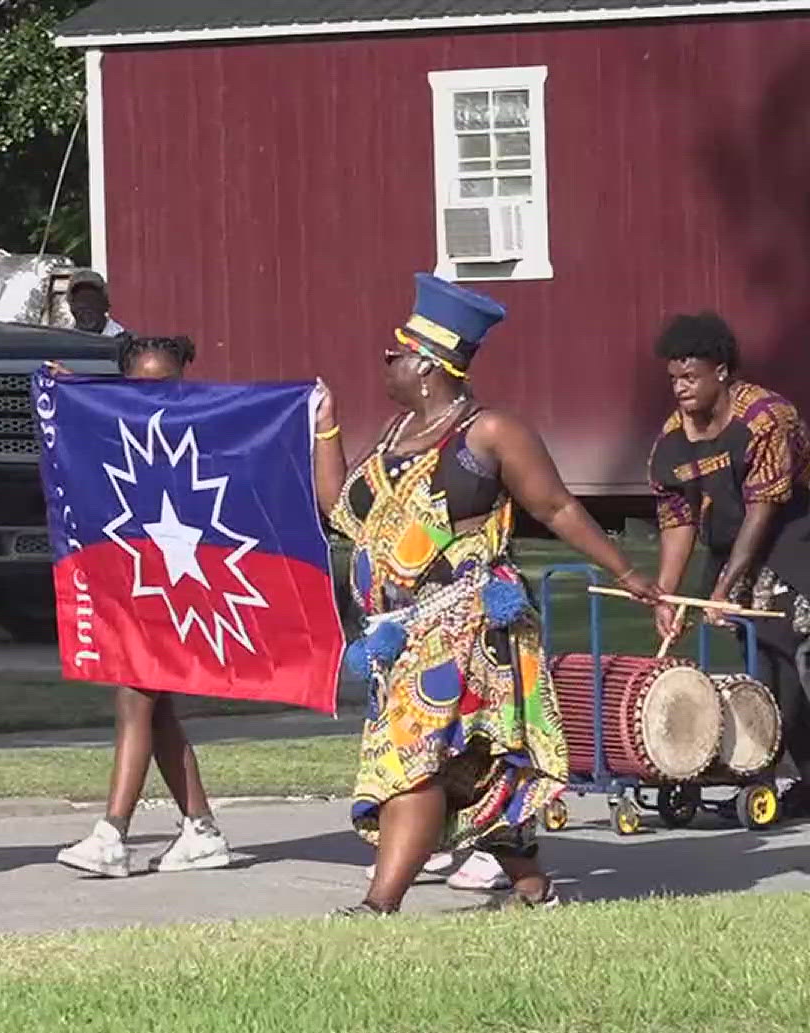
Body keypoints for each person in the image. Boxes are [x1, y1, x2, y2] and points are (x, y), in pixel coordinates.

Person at [313, 274, 662, 915]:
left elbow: (556, 507)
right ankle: (534, 892)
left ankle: (379, 904)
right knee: (475, 771)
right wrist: (326, 431)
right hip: (401, 634)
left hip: (467, 627)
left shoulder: (489, 432)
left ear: (427, 365)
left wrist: (631, 575)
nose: (385, 365)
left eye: (396, 355)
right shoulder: (392, 437)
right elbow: (344, 513)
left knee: (416, 758)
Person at [50, 335, 235, 877]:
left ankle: (112, 834)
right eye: (139, 386)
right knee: (156, 710)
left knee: (135, 698)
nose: (153, 397)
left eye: (167, 385)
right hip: (137, 583)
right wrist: (72, 393)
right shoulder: (117, 428)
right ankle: (200, 829)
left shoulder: (206, 426)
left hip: (184, 586)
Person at [646, 312, 810, 814]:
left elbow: (765, 507)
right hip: (730, 542)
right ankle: (783, 773)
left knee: (794, 654)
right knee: (758, 660)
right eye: (673, 378)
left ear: (721, 371)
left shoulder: (765, 417)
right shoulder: (674, 437)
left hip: (792, 535)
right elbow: (678, 518)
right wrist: (666, 594)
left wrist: (725, 587)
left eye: (690, 377)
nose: (680, 388)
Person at [67, 269, 126, 338]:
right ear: (72, 307)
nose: (86, 307)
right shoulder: (64, 341)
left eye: (92, 300)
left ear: (106, 304)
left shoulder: (124, 342)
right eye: (81, 300)